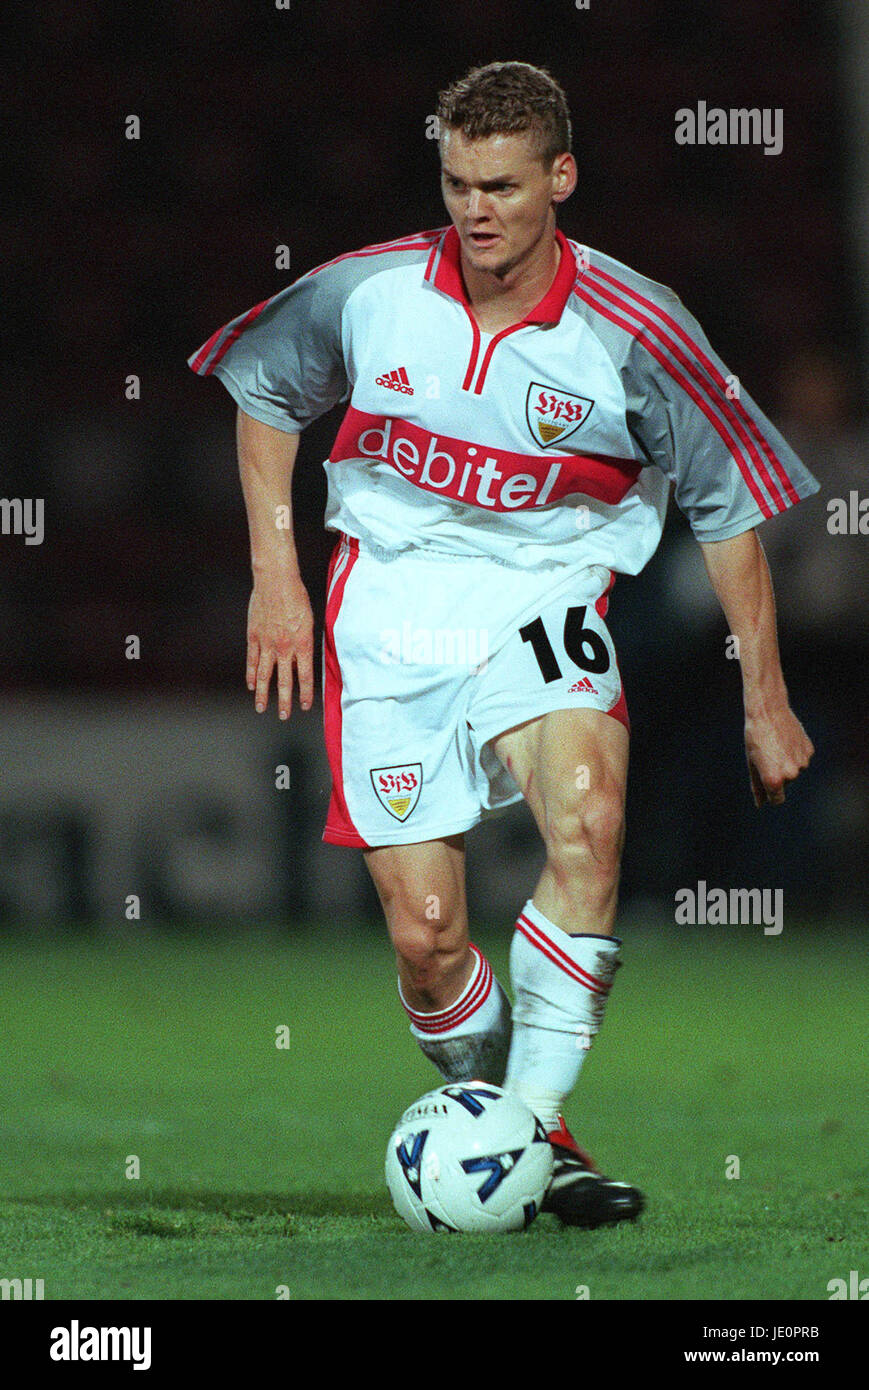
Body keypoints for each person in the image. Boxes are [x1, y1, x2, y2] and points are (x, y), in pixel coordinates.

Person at [188, 61, 818, 1228]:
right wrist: (276, 576)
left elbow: (727, 507)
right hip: (386, 611)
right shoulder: (365, 292)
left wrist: (762, 699)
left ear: (558, 179)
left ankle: (531, 1136)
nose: (475, 210)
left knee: (585, 820)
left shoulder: (635, 327)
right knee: (428, 941)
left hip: (541, 603)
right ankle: (507, 1123)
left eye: (501, 185)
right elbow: (266, 395)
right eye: (457, 182)